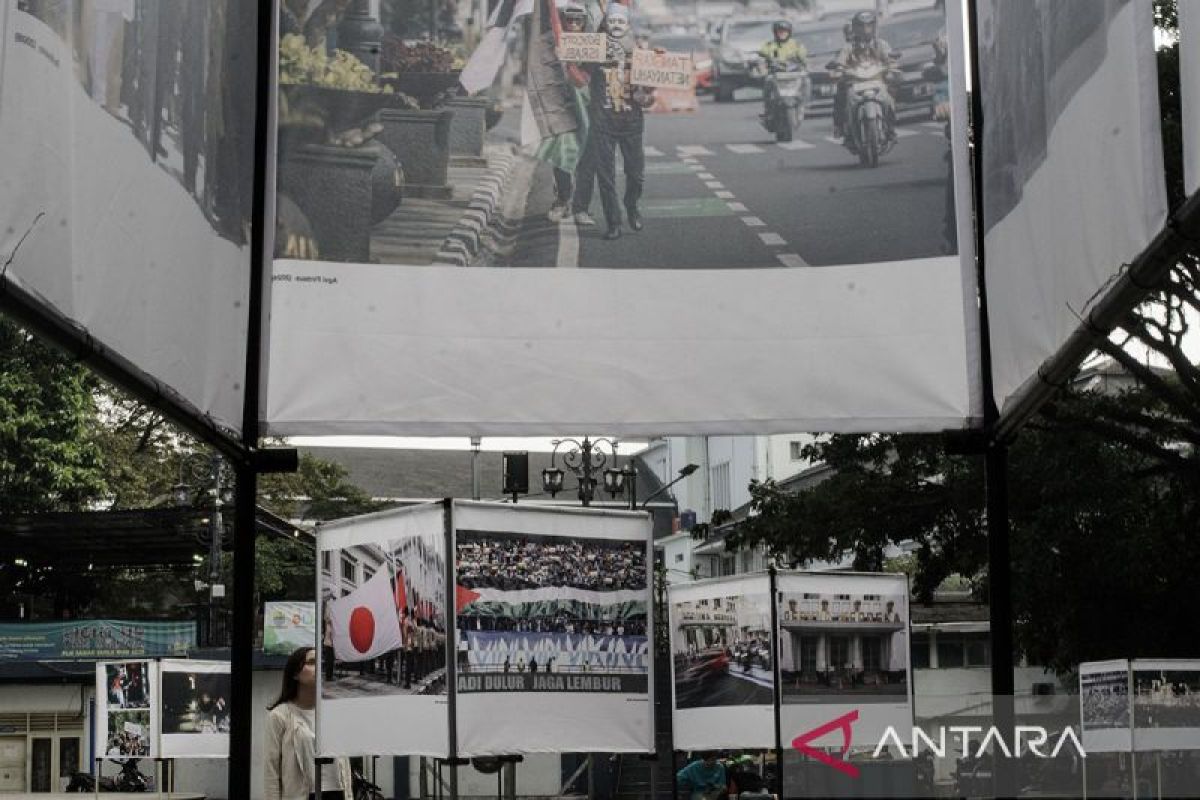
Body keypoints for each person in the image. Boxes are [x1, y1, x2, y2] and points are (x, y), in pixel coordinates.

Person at [571, 3, 654, 240]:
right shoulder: (594, 50)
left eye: (621, 22)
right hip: (602, 121)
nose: (616, 26)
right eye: (612, 21)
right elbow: (580, 81)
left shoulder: (640, 53)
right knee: (605, 176)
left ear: (628, 25)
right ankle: (613, 222)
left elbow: (649, 94)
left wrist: (646, 96)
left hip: (632, 122)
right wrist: (568, 64)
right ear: (605, 24)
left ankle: (631, 204)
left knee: (636, 174)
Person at [264, 647, 351, 800]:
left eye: (320, 661)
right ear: (295, 674)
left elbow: (345, 763)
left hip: (337, 793)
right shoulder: (280, 716)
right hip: (303, 795)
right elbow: (271, 770)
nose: (318, 666)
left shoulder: (333, 712)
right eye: (311, 662)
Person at [830, 11, 895, 141]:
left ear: (874, 27)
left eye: (869, 26)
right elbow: (840, 60)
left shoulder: (880, 44)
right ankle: (840, 126)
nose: (865, 30)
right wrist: (838, 68)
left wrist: (892, 66)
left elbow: (890, 58)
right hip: (855, 82)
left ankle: (891, 127)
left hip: (876, 80)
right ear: (855, 28)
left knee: (889, 99)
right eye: (861, 26)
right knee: (840, 94)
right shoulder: (849, 47)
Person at [757, 20, 807, 120]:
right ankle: (768, 110)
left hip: (793, 74)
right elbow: (762, 57)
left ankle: (802, 106)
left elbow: (804, 58)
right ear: (775, 33)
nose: (782, 34)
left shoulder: (796, 44)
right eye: (780, 32)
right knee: (767, 83)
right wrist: (763, 67)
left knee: (806, 82)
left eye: (784, 31)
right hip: (776, 74)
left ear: (789, 32)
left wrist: (804, 65)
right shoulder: (769, 45)